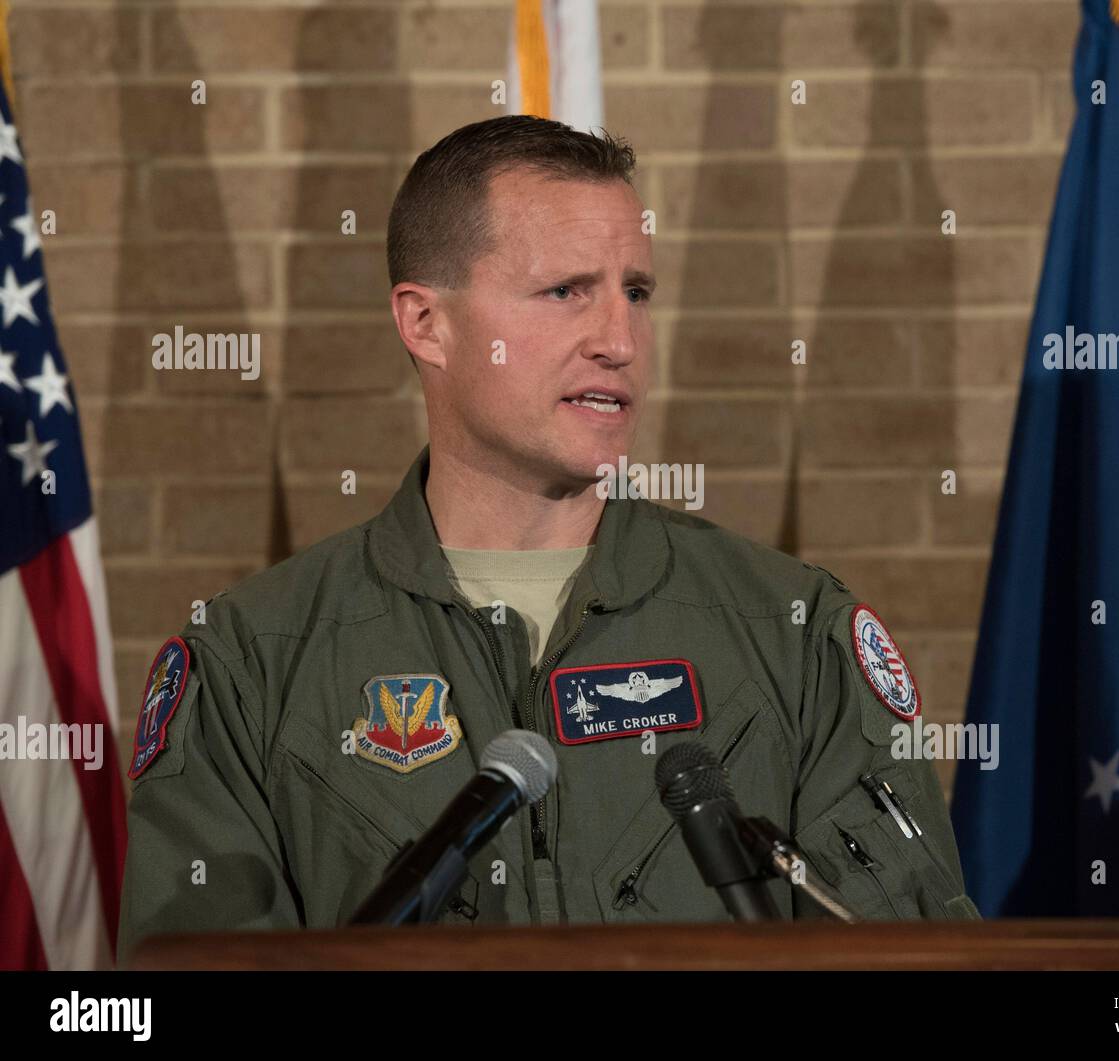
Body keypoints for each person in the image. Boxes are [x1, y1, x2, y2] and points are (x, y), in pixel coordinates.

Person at [117, 115, 979, 964]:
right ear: (426, 324)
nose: (620, 341)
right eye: (566, 290)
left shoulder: (795, 631)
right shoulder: (248, 664)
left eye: (635, 292)